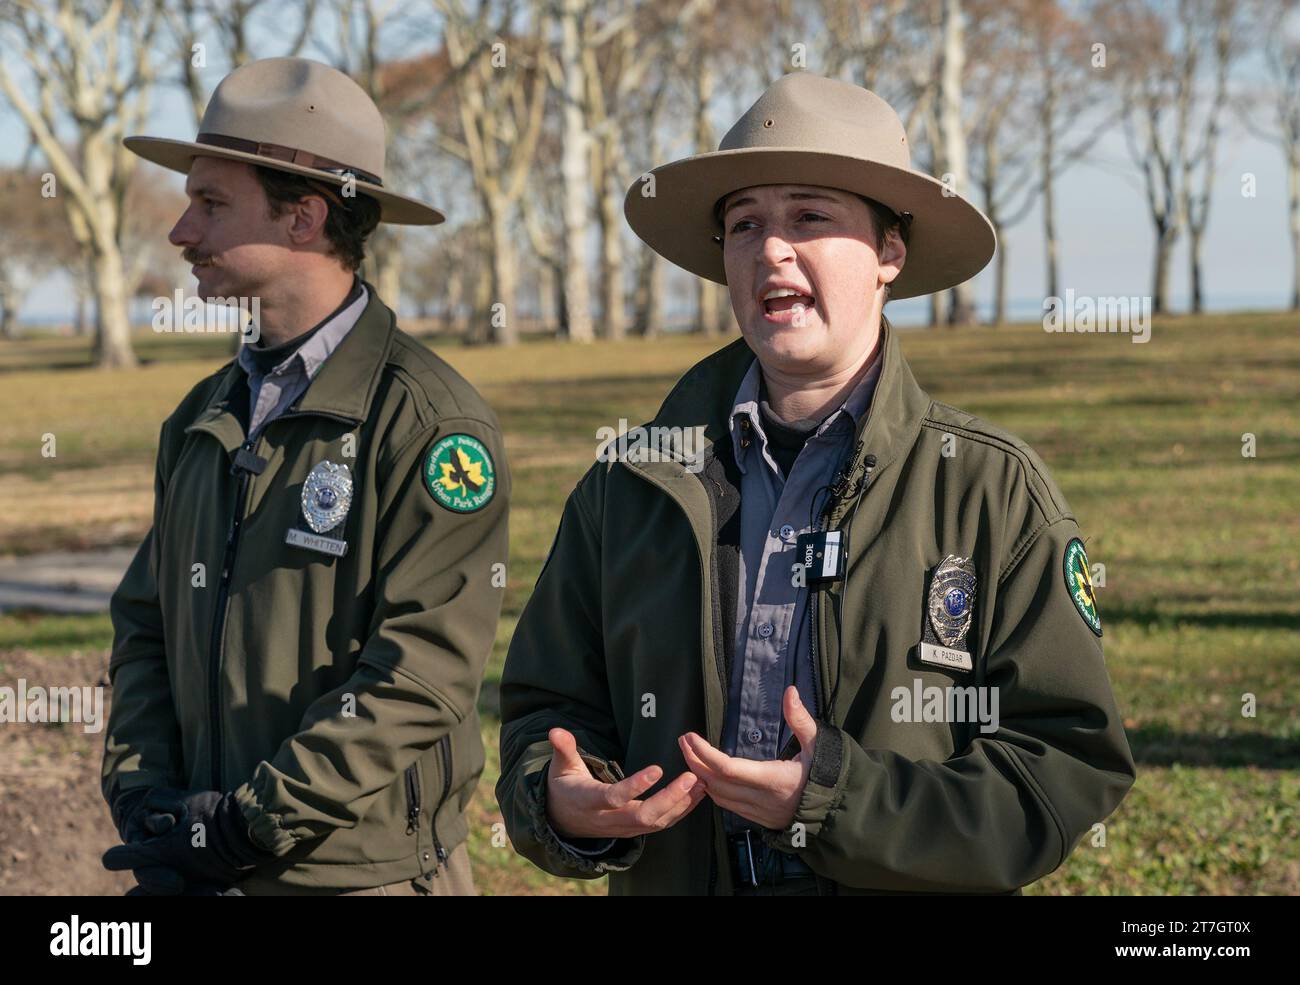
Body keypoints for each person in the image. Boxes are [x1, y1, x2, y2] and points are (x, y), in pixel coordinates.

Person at [496, 71, 1134, 895]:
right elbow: (547, 707)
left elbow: (1064, 767)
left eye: (810, 217)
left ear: (889, 253)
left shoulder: (993, 492)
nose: (770, 250)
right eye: (744, 224)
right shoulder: (630, 484)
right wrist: (558, 799)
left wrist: (835, 802)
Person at [100, 57, 510, 896]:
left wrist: (252, 820)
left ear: (304, 219)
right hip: (195, 863)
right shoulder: (199, 419)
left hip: (358, 878)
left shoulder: (432, 425)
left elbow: (420, 676)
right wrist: (145, 794)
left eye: (211, 203)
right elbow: (146, 624)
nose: (181, 232)